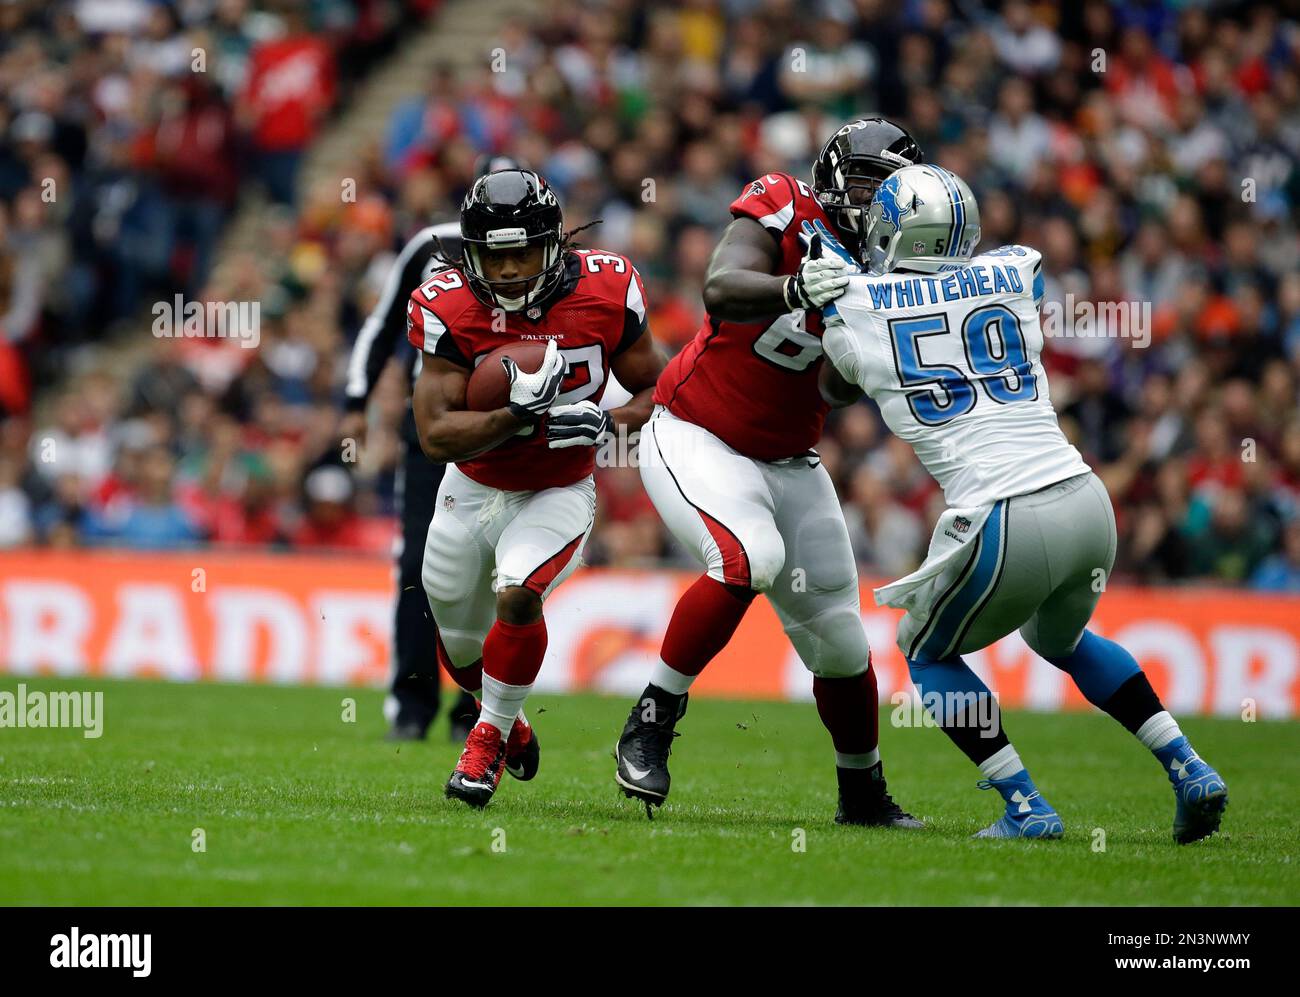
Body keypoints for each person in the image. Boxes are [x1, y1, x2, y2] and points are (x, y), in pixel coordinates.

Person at [819, 164, 1228, 842]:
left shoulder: (860, 306)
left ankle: (1026, 804)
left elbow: (836, 379)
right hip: (1086, 500)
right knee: (1058, 637)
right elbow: (1008, 272)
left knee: (922, 650)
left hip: (1003, 510)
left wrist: (826, 280)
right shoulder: (1014, 270)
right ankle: (1186, 764)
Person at [614, 118, 923, 827]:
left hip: (790, 457)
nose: (883, 204)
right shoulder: (784, 199)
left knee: (842, 639)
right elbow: (720, 286)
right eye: (875, 186)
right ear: (841, 178)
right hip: (697, 432)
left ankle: (862, 793)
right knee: (749, 556)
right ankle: (651, 717)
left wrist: (856, 337)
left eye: (895, 192)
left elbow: (837, 393)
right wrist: (796, 288)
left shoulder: (892, 269)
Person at [409, 169, 665, 808]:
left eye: (523, 250)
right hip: (470, 488)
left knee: (518, 595)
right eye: (494, 255)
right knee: (462, 647)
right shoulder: (447, 304)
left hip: (559, 487)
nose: (510, 269)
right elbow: (435, 435)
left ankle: (486, 741)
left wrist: (609, 422)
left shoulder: (608, 288)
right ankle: (505, 714)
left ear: (556, 244)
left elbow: (659, 388)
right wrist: (511, 418)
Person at [341, 158, 522, 741]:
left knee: (499, 570)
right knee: (420, 565)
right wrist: (355, 397)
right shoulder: (430, 247)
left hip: (506, 434)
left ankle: (476, 713)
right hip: (433, 434)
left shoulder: (551, 266)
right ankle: (413, 706)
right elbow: (383, 323)